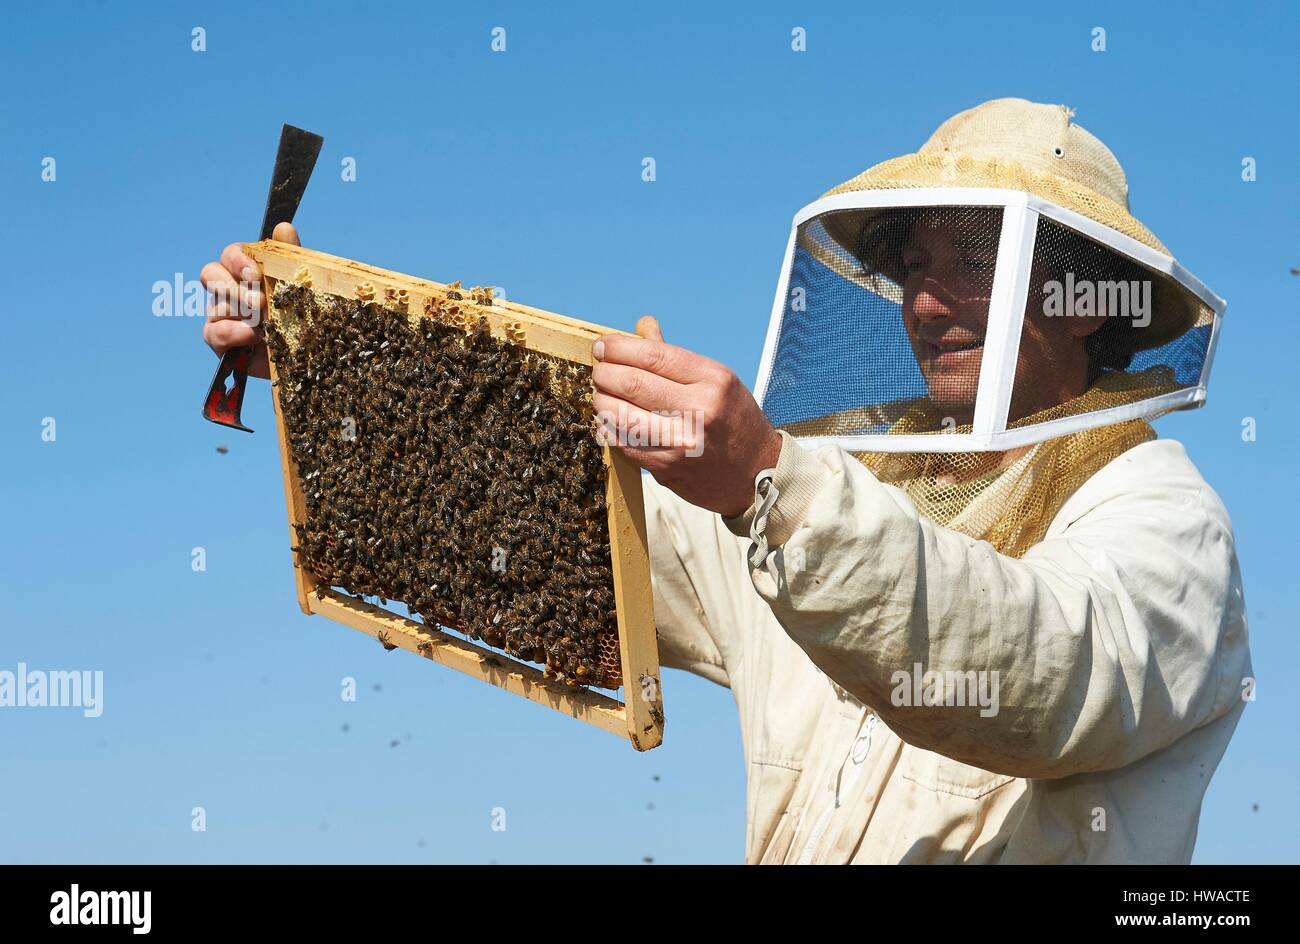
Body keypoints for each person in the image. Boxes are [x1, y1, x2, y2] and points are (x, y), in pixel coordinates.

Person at [200, 98, 1250, 863]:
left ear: (1079, 295)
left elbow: (1040, 670)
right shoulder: (841, 486)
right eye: (913, 266)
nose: (928, 302)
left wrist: (767, 477)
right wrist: (326, 360)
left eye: (970, 259)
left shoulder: (1158, 518)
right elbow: (568, 529)